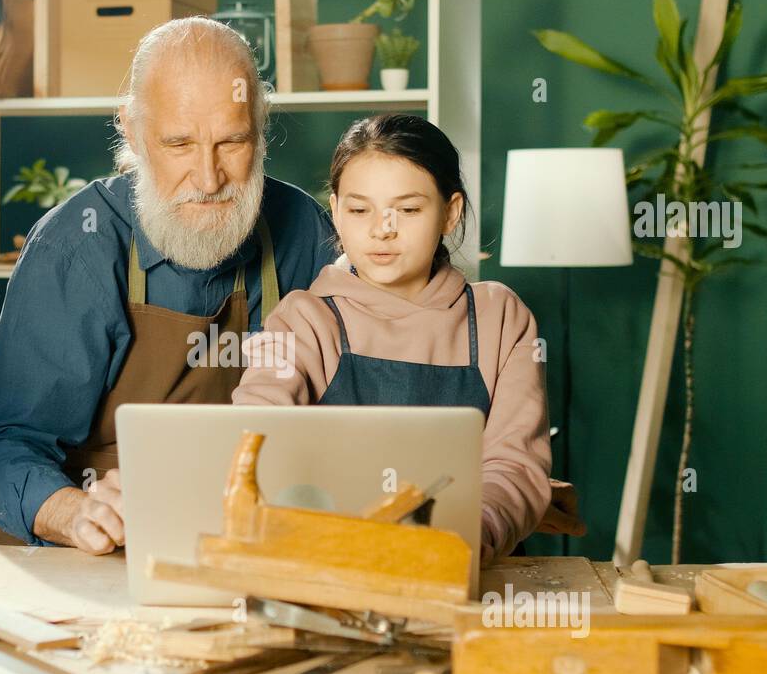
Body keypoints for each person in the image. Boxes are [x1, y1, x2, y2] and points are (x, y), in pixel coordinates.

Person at [0, 18, 338, 552]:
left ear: (260, 128)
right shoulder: (77, 246)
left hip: (243, 547)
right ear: (133, 132)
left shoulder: (303, 230)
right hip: (87, 556)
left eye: (231, 142)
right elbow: (7, 446)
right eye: (179, 144)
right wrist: (72, 512)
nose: (209, 180)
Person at [232, 113, 554, 563]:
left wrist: (463, 540)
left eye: (408, 209)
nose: (383, 229)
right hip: (337, 565)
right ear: (338, 211)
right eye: (360, 209)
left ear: (450, 213)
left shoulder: (500, 318)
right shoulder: (301, 321)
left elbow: (514, 467)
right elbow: (253, 434)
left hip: (473, 572)